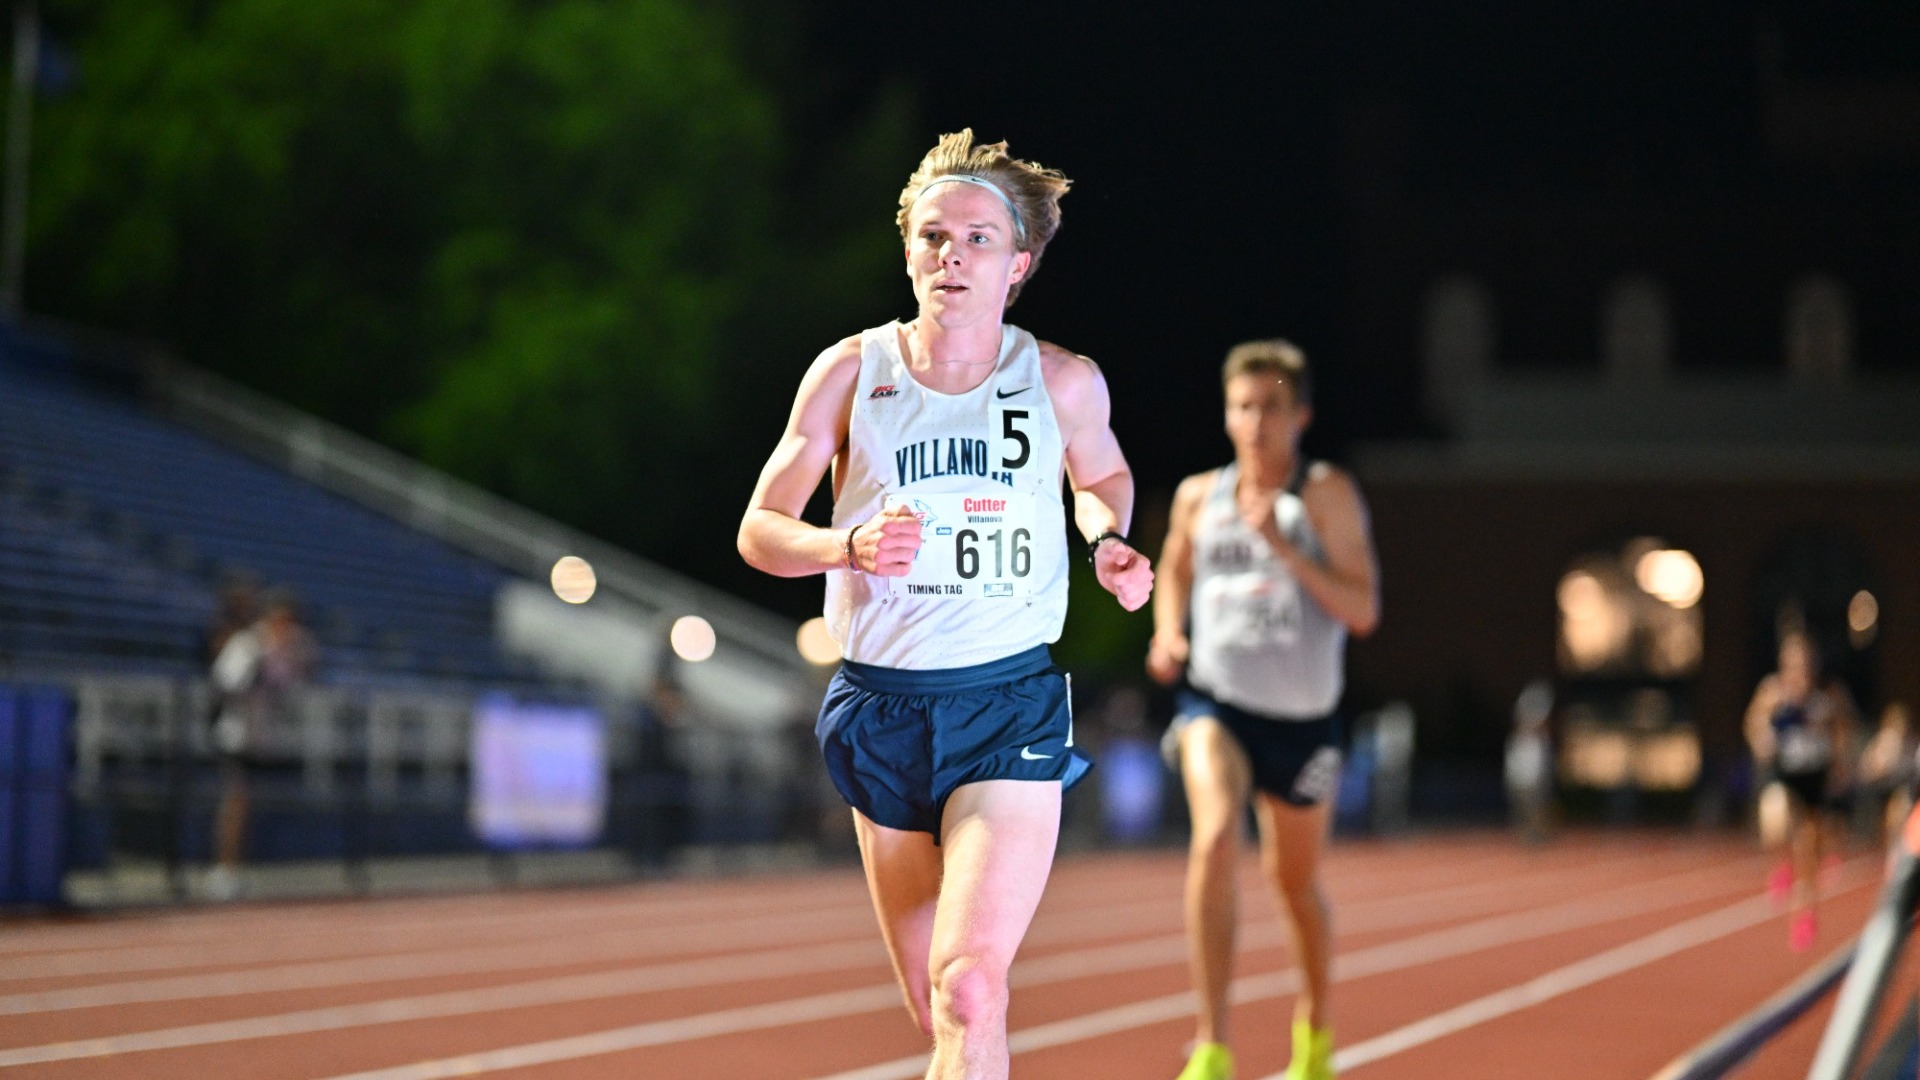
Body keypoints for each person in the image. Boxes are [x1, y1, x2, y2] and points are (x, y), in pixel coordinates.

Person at [738, 128, 1152, 1080]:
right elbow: (760, 530)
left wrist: (1107, 539)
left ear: (1018, 264)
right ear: (907, 251)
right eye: (933, 236)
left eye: (976, 239)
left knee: (970, 986)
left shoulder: (1060, 380)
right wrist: (844, 545)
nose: (951, 256)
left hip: (1006, 706)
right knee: (934, 1004)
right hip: (880, 705)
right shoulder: (851, 372)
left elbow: (1102, 476)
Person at [1146, 340, 1380, 1080]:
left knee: (1295, 885)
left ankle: (1315, 1032)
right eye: (1243, 407)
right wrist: (1167, 631)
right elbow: (1174, 569)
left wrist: (1285, 547)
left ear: (1301, 414)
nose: (1256, 422)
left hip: (1303, 723)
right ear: (1226, 415)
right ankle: (1212, 1045)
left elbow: (1363, 609)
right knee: (1215, 836)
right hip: (1217, 704)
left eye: (1272, 407)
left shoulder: (1324, 495)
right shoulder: (1198, 497)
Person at [1743, 628, 1859, 951]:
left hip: (1815, 780)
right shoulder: (1772, 691)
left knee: (1809, 849)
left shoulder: (1829, 696)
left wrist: (1841, 764)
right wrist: (1761, 740)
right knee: (1775, 815)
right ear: (1784, 664)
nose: (1800, 671)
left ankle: (1804, 913)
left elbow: (1844, 730)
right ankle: (1781, 860)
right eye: (1794, 664)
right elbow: (1753, 723)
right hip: (1783, 775)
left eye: (1806, 664)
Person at [207, 588, 318, 899]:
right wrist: (257, 672)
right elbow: (226, 685)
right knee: (236, 802)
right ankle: (224, 870)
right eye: (280, 620)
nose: (285, 628)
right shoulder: (247, 644)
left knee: (249, 805)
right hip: (236, 736)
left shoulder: (288, 651)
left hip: (262, 737)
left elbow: (291, 686)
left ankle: (238, 868)